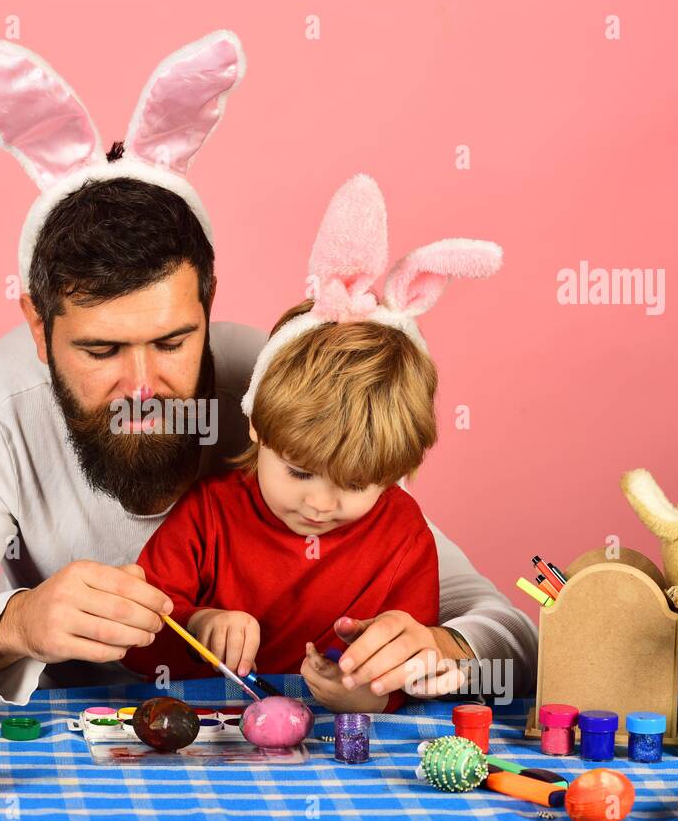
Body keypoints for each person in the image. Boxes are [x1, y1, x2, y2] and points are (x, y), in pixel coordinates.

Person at [0, 31, 537, 705]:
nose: (143, 388)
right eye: (102, 350)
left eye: (173, 341)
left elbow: (506, 630)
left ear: (209, 302)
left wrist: (441, 652)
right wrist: (16, 622)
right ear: (38, 324)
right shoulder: (1, 409)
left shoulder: (276, 388)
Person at [123, 174, 503, 714]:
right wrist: (200, 624)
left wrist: (370, 692)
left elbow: (411, 670)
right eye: (299, 472)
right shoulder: (208, 516)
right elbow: (137, 643)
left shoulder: (403, 536)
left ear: (396, 468)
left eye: (354, 484)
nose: (321, 504)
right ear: (256, 425)